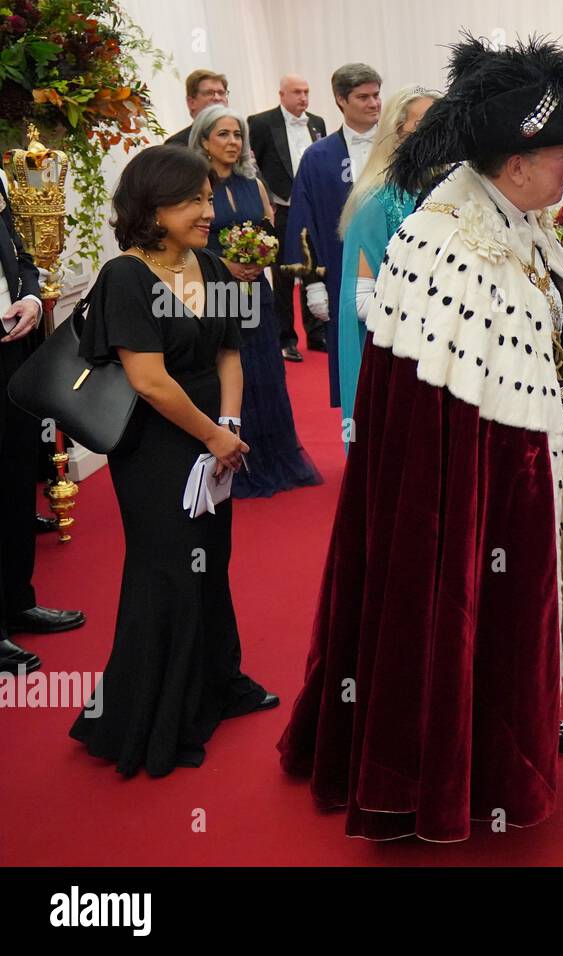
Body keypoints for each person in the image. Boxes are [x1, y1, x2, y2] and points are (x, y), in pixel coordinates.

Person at [277, 36, 563, 842]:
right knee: (457, 614)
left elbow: (541, 314)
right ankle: (459, 764)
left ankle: (515, 726)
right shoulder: (451, 242)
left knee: (507, 613)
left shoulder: (502, 212)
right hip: (468, 493)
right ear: (517, 159)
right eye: (562, 152)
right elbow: (484, 382)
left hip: (508, 473)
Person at [69, 146, 278, 777]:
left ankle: (221, 682)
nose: (208, 211)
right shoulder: (124, 278)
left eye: (209, 198)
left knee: (213, 563)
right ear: (152, 208)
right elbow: (150, 382)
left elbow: (230, 356)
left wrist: (230, 428)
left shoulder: (212, 267)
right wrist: (212, 436)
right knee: (169, 572)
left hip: (218, 441)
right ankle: (154, 714)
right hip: (160, 450)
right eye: (193, 200)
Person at [192, 105, 322, 497]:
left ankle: (272, 457)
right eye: (223, 135)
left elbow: (269, 231)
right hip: (214, 292)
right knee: (229, 370)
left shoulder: (256, 185)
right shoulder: (194, 186)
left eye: (237, 135)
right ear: (203, 141)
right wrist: (224, 264)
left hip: (256, 292)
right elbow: (187, 241)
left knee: (265, 372)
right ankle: (233, 465)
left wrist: (259, 258)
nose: (233, 142)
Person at [0, 170, 85, 674]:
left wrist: (31, 296)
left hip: (11, 344)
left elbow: (20, 253)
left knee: (14, 476)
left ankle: (17, 600)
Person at [335, 85, 436, 435]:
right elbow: (361, 302)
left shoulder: (447, 191)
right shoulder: (376, 202)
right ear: (397, 131)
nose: (434, 134)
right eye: (422, 125)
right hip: (397, 357)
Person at [283, 63, 383, 409]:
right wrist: (313, 284)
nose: (374, 104)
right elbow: (303, 221)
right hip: (343, 275)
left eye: (376, 95)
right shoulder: (318, 157)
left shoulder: (397, 149)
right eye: (363, 97)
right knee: (354, 363)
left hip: (396, 272)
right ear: (341, 100)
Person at [247, 74, 328, 363]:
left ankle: (317, 333)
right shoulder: (260, 122)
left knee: (315, 269)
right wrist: (266, 200)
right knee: (283, 275)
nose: (303, 98)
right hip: (282, 209)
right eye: (296, 92)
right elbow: (252, 164)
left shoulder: (317, 122)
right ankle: (286, 338)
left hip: (314, 208)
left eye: (306, 91)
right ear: (281, 94)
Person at [164, 69, 228, 146]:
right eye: (209, 93)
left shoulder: (241, 137)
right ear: (191, 103)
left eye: (221, 93)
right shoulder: (177, 145)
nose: (217, 98)